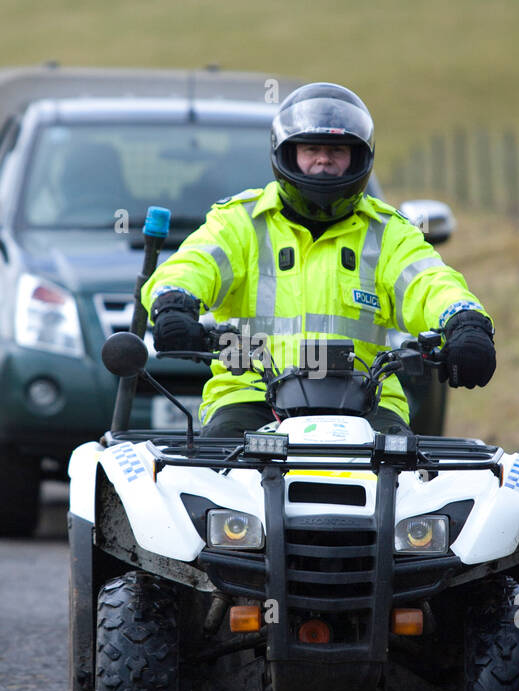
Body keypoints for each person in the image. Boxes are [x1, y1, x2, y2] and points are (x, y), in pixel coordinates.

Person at [141, 82, 495, 437]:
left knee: (407, 478)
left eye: (336, 150)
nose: (323, 159)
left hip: (367, 399)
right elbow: (192, 264)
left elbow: (430, 282)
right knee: (217, 474)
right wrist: (174, 303)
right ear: (287, 154)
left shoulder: (389, 232)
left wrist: (465, 322)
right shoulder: (240, 221)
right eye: (311, 148)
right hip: (249, 396)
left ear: (358, 157)